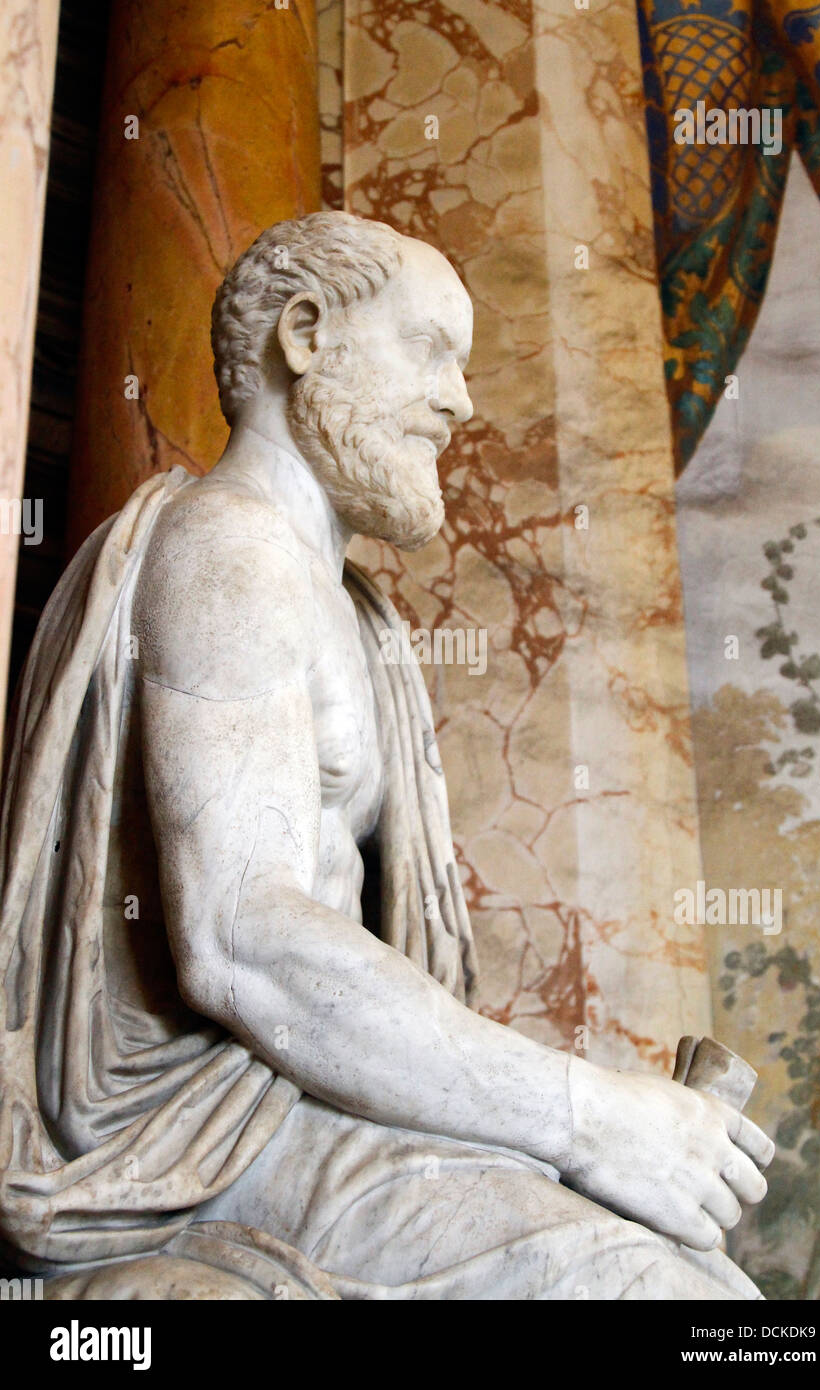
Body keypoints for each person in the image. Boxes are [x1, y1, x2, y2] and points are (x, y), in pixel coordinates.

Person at [0, 212, 772, 1300]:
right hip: (206, 1129)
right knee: (672, 1299)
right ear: (306, 334)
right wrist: (590, 1119)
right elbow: (239, 940)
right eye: (432, 350)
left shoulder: (354, 610)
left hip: (293, 1096)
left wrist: (602, 1127)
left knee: (696, 1277)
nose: (459, 402)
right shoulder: (230, 550)